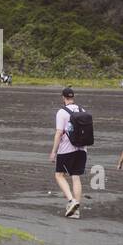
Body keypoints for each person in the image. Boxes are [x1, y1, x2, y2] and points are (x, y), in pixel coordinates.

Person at [49, 86, 86, 218]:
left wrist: (54, 151)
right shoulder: (82, 110)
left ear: (63, 97)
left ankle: (72, 201)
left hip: (66, 149)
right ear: (73, 97)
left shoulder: (62, 112)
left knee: (59, 175)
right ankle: (76, 212)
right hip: (82, 149)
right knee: (76, 177)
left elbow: (59, 133)